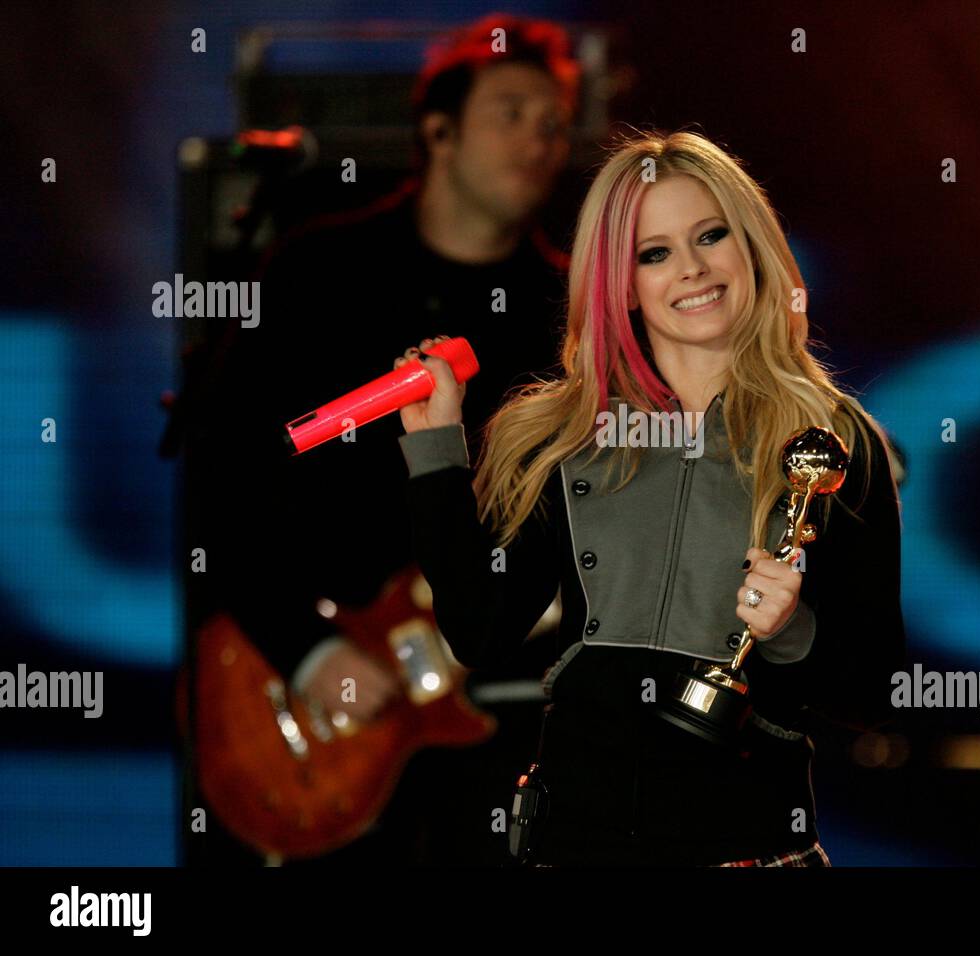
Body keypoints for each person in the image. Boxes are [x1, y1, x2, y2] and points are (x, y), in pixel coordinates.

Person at [392, 130, 906, 866]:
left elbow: (875, 689)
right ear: (619, 282)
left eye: (710, 235)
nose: (692, 269)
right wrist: (435, 443)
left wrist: (792, 630)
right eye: (654, 252)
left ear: (750, 243)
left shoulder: (833, 441)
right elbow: (479, 631)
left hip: (749, 848)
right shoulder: (567, 436)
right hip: (572, 845)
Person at [187, 14, 581, 865]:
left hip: (494, 725)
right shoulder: (317, 273)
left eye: (553, 123)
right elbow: (221, 476)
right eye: (512, 111)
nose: (538, 141)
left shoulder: (570, 318)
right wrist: (307, 647)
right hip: (304, 688)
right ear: (438, 128)